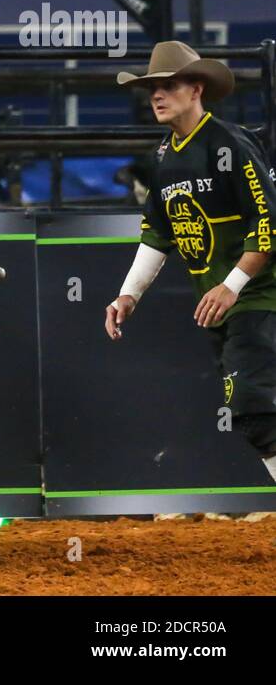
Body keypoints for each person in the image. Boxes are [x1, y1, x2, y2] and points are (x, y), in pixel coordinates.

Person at [105, 39, 276, 485]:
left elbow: (268, 221)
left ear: (196, 88)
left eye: (168, 85)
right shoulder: (164, 157)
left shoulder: (230, 144)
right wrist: (129, 293)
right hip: (225, 305)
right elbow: (157, 232)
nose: (157, 95)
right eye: (152, 88)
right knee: (257, 414)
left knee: (258, 411)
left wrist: (232, 284)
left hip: (260, 298)